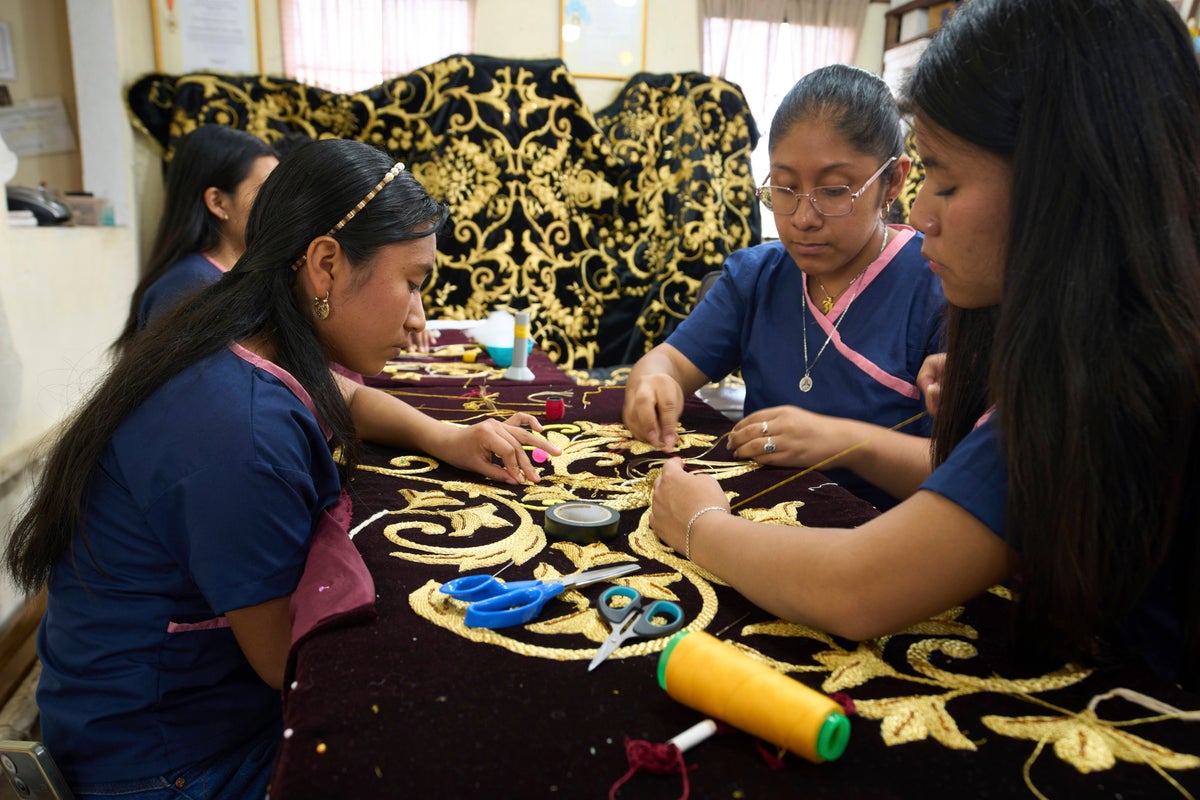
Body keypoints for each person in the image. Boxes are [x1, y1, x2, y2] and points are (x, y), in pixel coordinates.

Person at [648, 0, 1200, 690]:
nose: (919, 215)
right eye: (784, 189)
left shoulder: (1105, 380)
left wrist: (700, 523)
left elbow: (857, 587)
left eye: (947, 181)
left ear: (1067, 181)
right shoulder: (1118, 333)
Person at [4, 138, 561, 798]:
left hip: (129, 711)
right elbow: (285, 662)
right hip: (164, 762)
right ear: (325, 265)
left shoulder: (238, 329)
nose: (419, 317)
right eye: (412, 284)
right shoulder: (239, 431)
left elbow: (340, 394)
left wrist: (446, 436)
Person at [623, 64, 944, 510]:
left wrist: (843, 441)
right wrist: (653, 382)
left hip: (884, 532)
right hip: (759, 516)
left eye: (834, 191)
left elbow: (975, 473)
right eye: (785, 188)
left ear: (892, 181)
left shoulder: (940, 285)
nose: (803, 218)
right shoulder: (757, 276)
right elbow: (668, 362)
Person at [113, 125, 279, 351]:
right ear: (218, 202)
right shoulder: (186, 286)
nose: (279, 205)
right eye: (266, 193)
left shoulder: (246, 274)